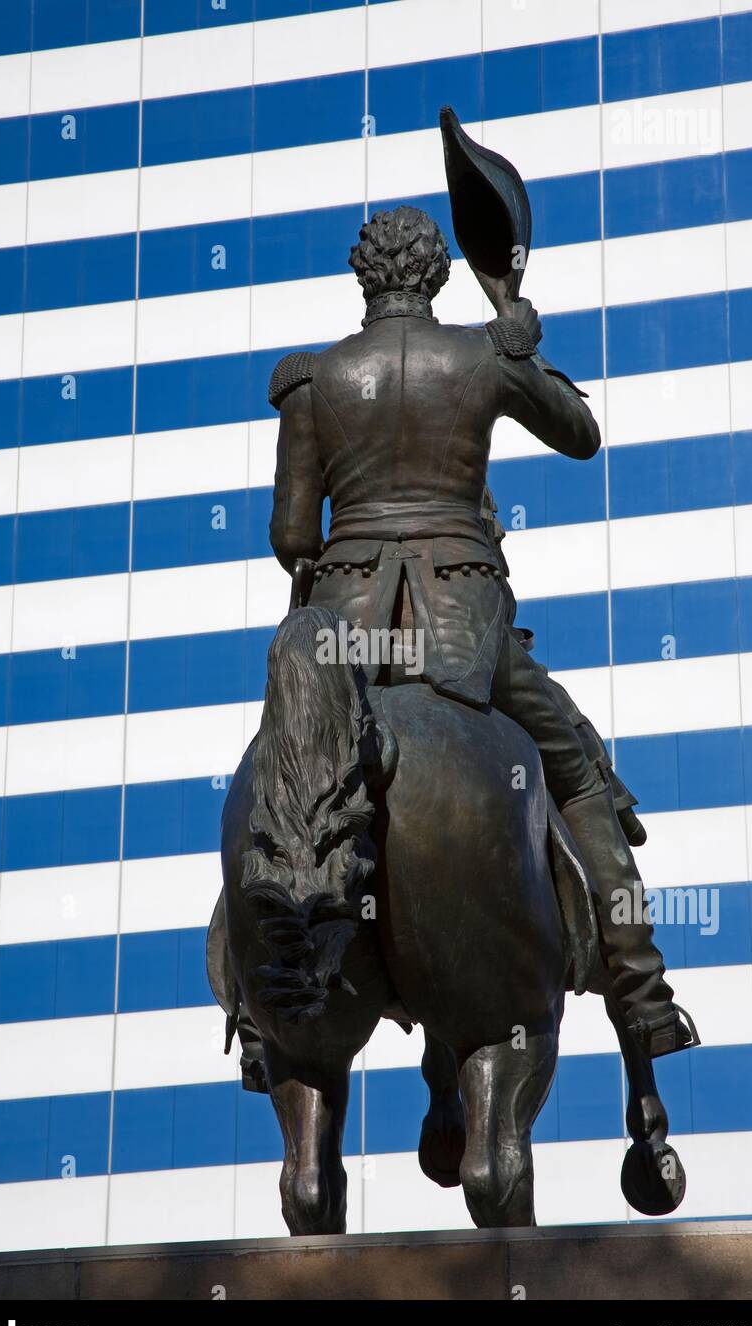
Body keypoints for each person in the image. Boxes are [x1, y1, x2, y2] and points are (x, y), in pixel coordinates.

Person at [266, 203, 698, 1061]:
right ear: (433, 274)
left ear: (364, 275)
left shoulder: (312, 380)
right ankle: (642, 991)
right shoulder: (476, 356)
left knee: (283, 770)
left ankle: (260, 1008)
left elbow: (292, 539)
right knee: (575, 766)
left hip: (348, 638)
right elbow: (581, 435)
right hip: (460, 627)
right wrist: (516, 340)